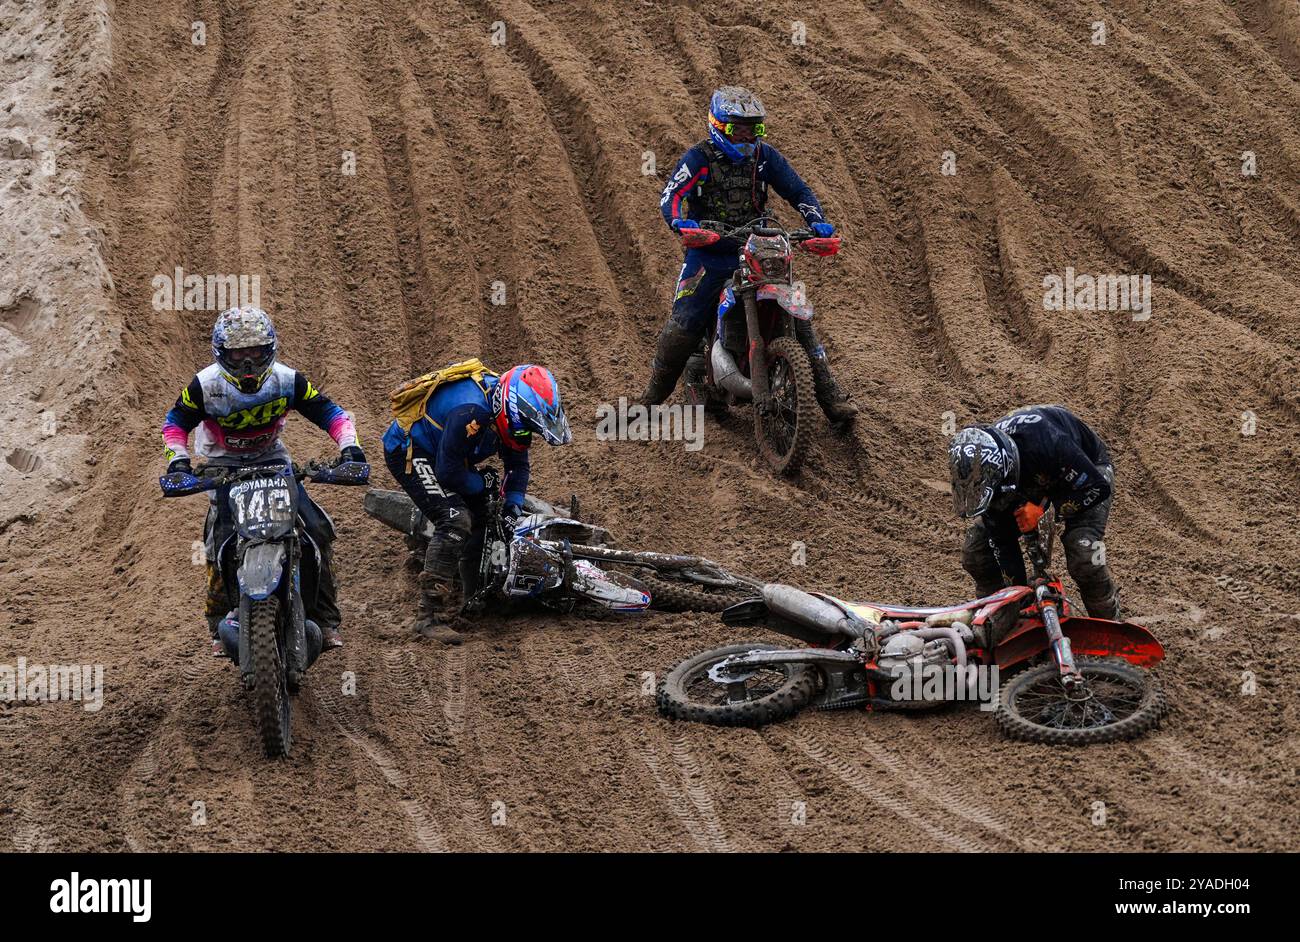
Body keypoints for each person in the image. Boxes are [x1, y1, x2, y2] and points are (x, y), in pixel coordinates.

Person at [642, 86, 856, 422]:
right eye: (737, 129)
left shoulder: (765, 157)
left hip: (760, 245)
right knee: (685, 321)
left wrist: (817, 221)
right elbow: (671, 195)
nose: (746, 137)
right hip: (711, 250)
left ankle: (830, 397)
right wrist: (679, 222)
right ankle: (651, 398)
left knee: (800, 316)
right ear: (718, 126)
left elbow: (797, 189)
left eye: (752, 130)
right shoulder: (698, 158)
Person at [162, 306, 365, 655]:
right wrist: (178, 462)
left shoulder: (287, 380)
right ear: (223, 353)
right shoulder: (205, 385)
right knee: (219, 539)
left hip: (273, 459)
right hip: (223, 465)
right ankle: (220, 620)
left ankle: (326, 618)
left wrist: (350, 448)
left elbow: (330, 412)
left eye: (255, 351)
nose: (248, 362)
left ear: (269, 349)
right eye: (239, 353)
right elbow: (174, 423)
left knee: (316, 528)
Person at [381, 363, 571, 644]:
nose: (525, 436)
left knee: (488, 513)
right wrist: (483, 483)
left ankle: (472, 600)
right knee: (455, 520)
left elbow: (517, 466)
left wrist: (512, 506)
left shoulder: (504, 411)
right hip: (412, 451)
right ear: (510, 411)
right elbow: (448, 472)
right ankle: (428, 617)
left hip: (451, 452)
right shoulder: (470, 412)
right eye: (525, 428)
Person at [948, 405, 1120, 643]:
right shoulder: (990, 474)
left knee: (1084, 553)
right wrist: (1016, 594)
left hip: (1087, 472)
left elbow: (1097, 488)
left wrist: (1045, 508)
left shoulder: (1048, 443)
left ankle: (1110, 625)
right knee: (976, 552)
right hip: (1026, 478)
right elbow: (1002, 543)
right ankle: (1000, 617)